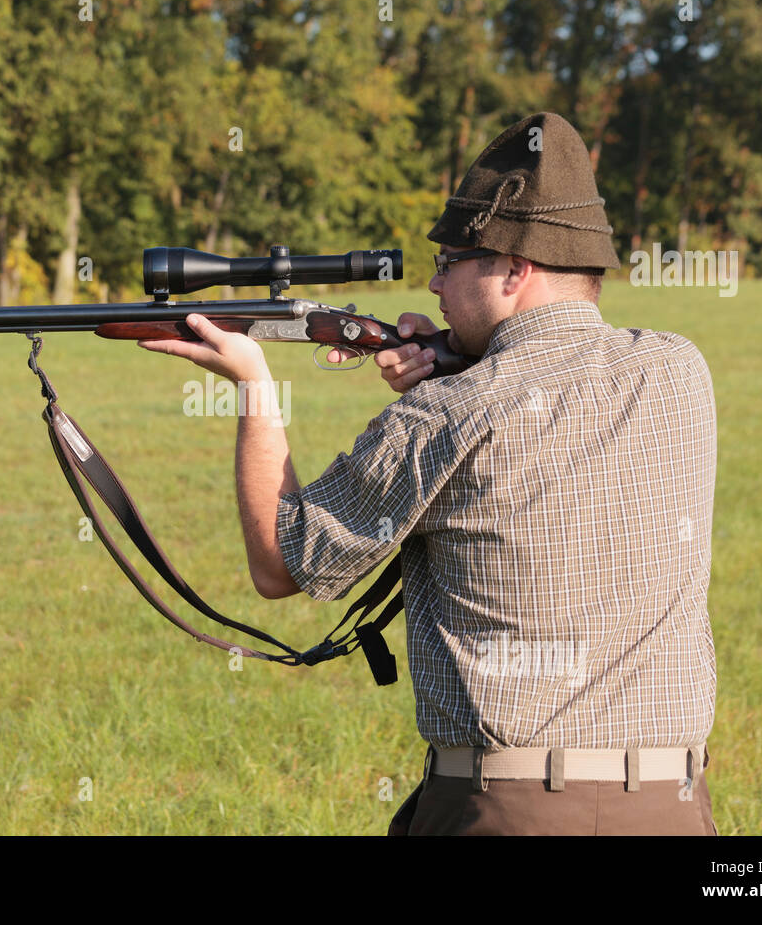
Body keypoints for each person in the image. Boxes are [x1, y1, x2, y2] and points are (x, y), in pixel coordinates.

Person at [137, 112, 718, 836]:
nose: (436, 285)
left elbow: (279, 564)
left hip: (501, 812)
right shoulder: (679, 371)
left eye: (451, 262)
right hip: (672, 808)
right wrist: (459, 366)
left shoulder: (444, 417)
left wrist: (253, 382)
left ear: (516, 268)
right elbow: (545, 405)